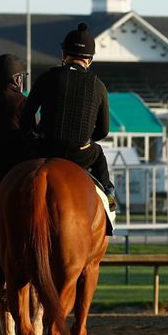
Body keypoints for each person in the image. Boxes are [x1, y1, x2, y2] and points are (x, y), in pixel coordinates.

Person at [20, 22, 116, 211]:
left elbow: (26, 116)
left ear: (64, 55)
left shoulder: (47, 77)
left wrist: (33, 136)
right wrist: (85, 140)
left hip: (45, 149)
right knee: (98, 153)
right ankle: (110, 197)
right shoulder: (98, 86)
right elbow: (103, 130)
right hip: (80, 154)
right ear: (90, 60)